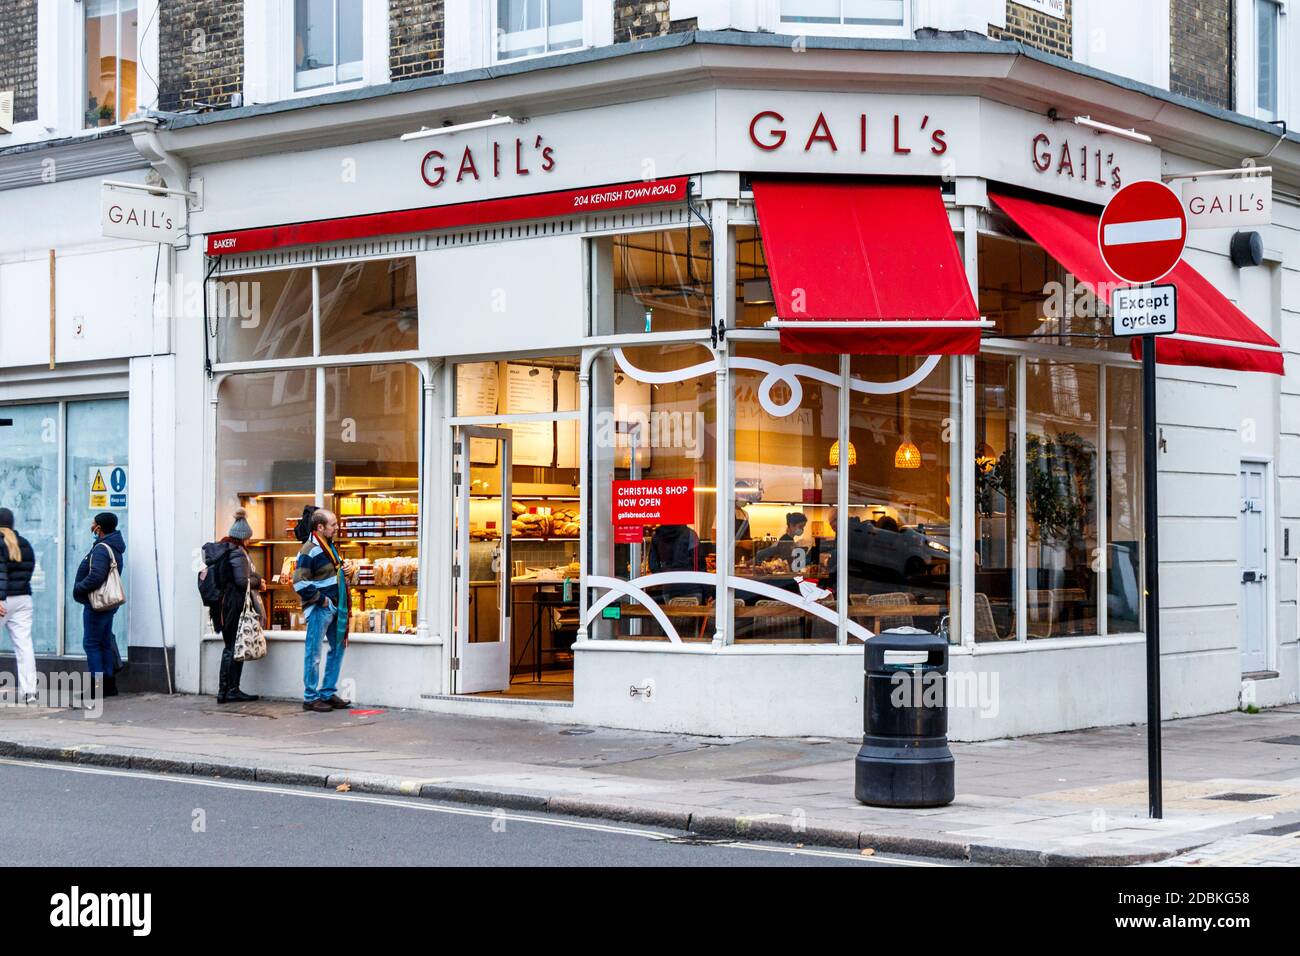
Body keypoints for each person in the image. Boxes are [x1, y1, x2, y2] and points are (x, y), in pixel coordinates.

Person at [294, 509, 355, 713]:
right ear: (320, 527)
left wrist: (346, 570)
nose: (337, 528)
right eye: (333, 525)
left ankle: (327, 692)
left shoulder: (328, 546)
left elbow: (331, 572)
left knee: (337, 649)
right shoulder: (309, 549)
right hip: (322, 608)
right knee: (314, 653)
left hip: (334, 606)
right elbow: (299, 583)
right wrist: (323, 601)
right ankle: (310, 697)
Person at [205, 509, 262, 704]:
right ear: (244, 537)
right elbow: (241, 581)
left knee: (231, 645)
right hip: (232, 605)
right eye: (248, 538)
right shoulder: (237, 553)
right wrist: (258, 580)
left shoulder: (222, 549)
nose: (249, 542)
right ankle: (228, 690)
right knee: (232, 646)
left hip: (222, 605)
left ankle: (229, 689)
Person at [72, 512, 125, 698]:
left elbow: (96, 575)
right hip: (108, 604)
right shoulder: (113, 546)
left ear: (99, 528)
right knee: (103, 642)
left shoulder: (102, 548)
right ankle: (109, 685)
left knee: (91, 643)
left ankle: (97, 687)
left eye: (93, 523)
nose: (91, 525)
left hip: (98, 603)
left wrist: (79, 587)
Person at [0, 508, 37, 705]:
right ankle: (29, 691)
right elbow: (29, 571)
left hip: (3, 600)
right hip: (23, 599)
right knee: (24, 646)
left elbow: (1, 572)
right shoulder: (25, 544)